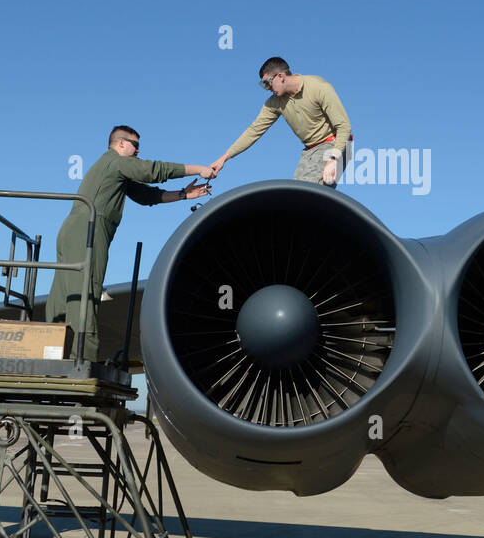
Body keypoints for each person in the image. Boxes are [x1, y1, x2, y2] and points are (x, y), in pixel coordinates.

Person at [46, 126, 212, 363]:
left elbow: (146, 196)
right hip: (89, 229)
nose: (138, 151)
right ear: (121, 143)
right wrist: (198, 169)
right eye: (135, 145)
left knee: (64, 295)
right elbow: (152, 171)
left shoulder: (114, 170)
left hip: (73, 230)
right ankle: (83, 360)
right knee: (87, 290)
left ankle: (49, 352)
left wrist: (184, 194)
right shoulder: (116, 162)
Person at [209, 57, 352, 187]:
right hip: (310, 151)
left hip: (335, 143)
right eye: (263, 85)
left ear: (281, 76)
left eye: (267, 83)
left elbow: (344, 126)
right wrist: (224, 158)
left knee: (307, 195)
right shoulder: (275, 102)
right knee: (294, 196)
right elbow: (254, 131)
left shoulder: (318, 87)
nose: (267, 89)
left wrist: (334, 159)